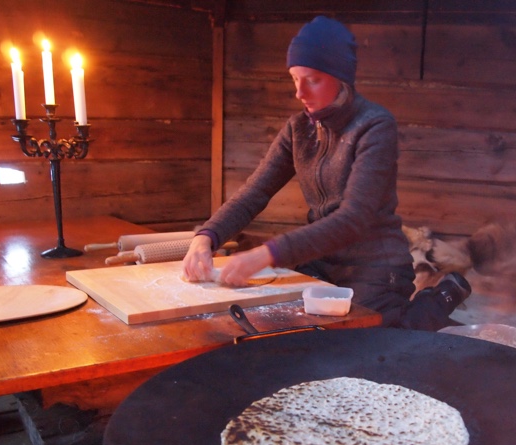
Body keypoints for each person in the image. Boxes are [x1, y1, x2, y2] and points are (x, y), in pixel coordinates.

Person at [182, 16, 470, 331]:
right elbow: (255, 192)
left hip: (376, 264)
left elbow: (353, 219)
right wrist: (206, 237)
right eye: (294, 78)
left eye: (313, 79)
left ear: (341, 77)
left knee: (374, 343)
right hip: (323, 260)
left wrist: (268, 253)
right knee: (296, 331)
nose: (299, 92)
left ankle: (441, 297)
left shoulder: (375, 126)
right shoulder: (297, 129)